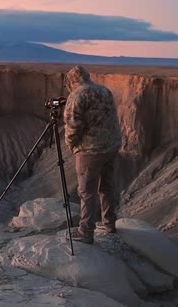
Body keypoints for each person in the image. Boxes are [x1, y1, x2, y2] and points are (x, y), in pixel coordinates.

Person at [63, 66, 122, 244]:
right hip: (111, 146)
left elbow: (73, 125)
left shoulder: (78, 95)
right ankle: (109, 223)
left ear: (72, 80)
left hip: (90, 150)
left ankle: (86, 231)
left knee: (87, 191)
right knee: (106, 186)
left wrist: (71, 144)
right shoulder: (105, 90)